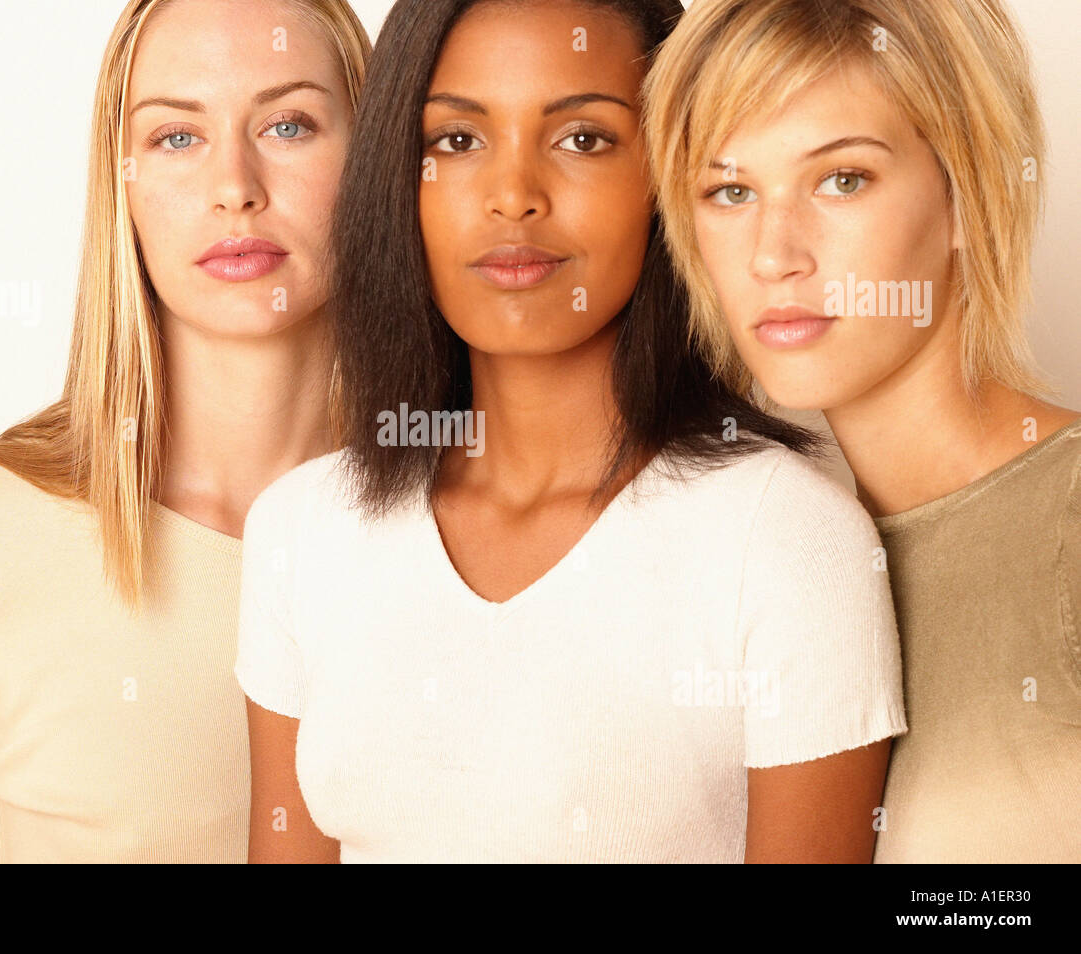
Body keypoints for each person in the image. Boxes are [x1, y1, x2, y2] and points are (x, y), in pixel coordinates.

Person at [235, 0, 906, 864]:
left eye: (583, 138)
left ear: (668, 172)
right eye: (457, 141)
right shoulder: (302, 529)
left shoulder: (788, 542)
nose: (513, 196)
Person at [0, 0, 369, 863]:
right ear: (122, 178)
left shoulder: (466, 524)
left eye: (289, 124)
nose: (235, 185)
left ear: (373, 160)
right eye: (176, 138)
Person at [644, 0, 1081, 861]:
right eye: (730, 191)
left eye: (842, 179)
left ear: (967, 194)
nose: (775, 253)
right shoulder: (757, 553)